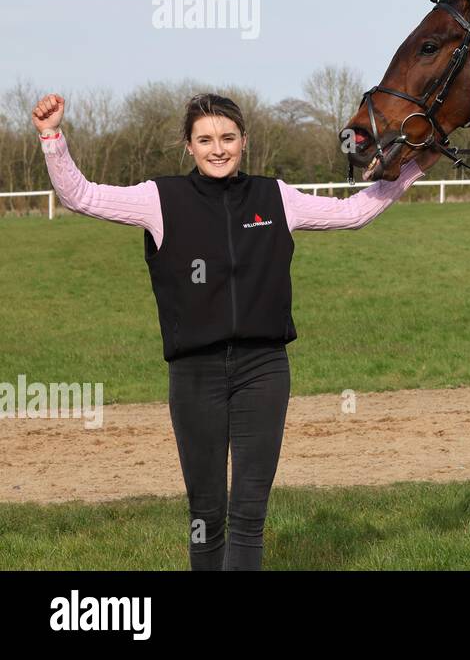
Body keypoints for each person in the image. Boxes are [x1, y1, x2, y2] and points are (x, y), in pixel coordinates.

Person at [32, 91, 435, 570]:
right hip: (195, 375)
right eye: (205, 140)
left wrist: (415, 165)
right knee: (206, 516)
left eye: (227, 137)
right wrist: (51, 136)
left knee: (248, 516)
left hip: (263, 372)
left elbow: (353, 213)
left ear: (244, 141)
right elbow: (80, 195)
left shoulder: (274, 197)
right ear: (189, 146)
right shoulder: (159, 200)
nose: (217, 148)